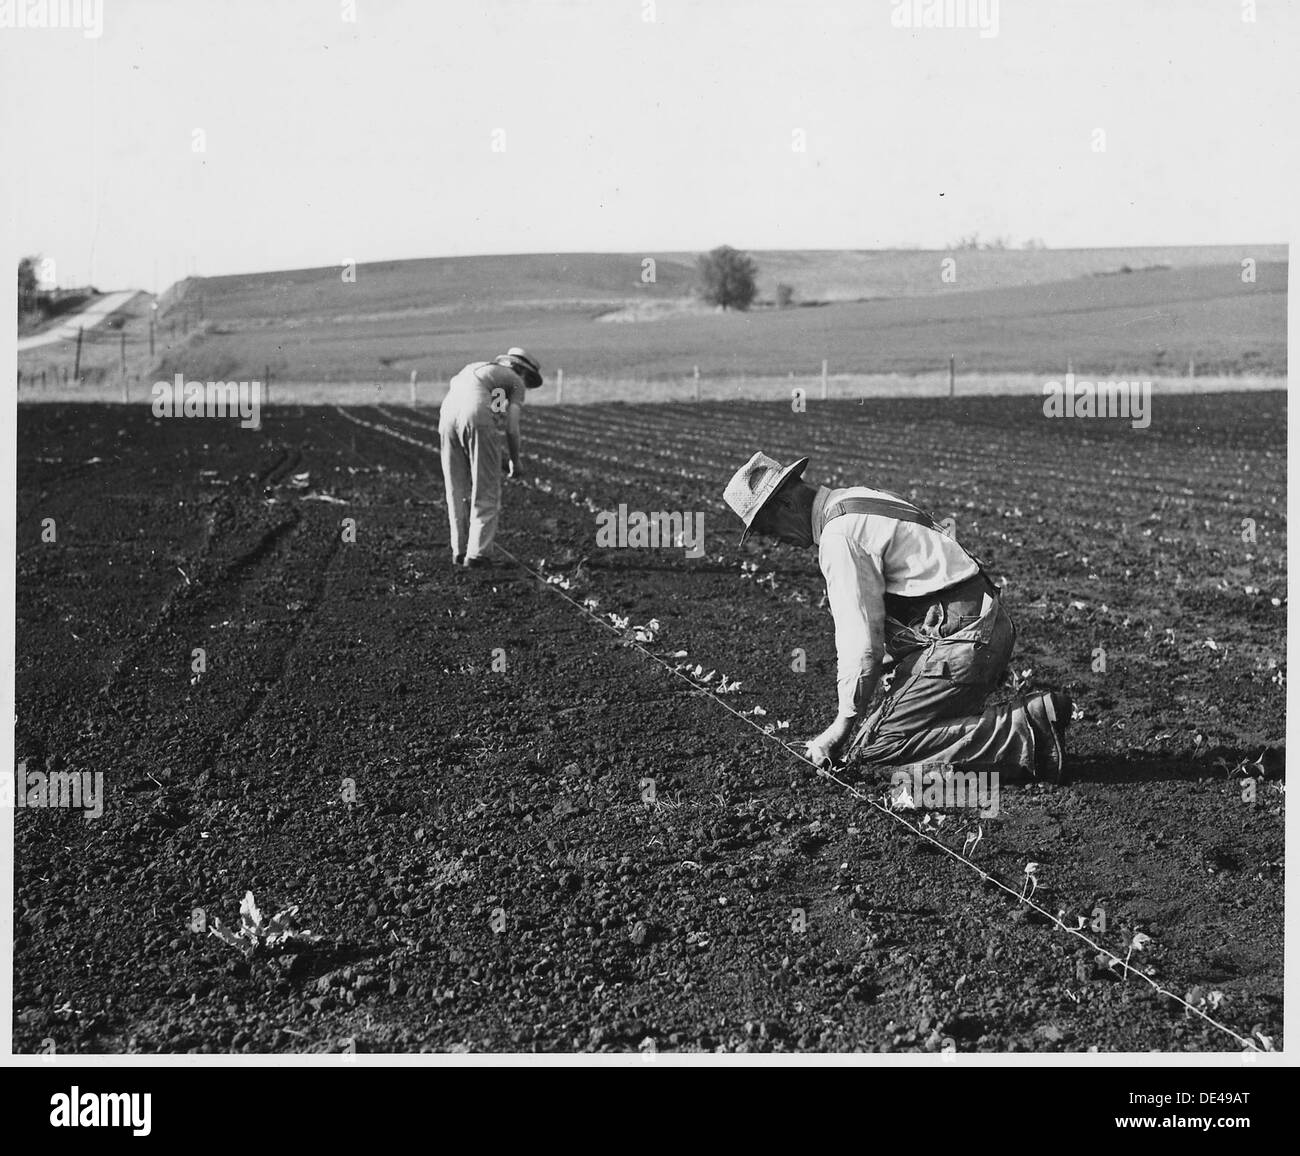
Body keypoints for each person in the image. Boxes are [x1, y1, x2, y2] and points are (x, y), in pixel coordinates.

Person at [722, 451, 1073, 781]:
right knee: (885, 732)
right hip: (984, 625)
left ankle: (1027, 727)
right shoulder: (855, 498)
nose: (776, 542)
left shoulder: (839, 537)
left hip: (962, 643)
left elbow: (862, 646)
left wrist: (839, 727)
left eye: (768, 529)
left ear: (784, 503)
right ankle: (982, 721)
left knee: (876, 748)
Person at [437, 347, 543, 568]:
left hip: (446, 416)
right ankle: (478, 554)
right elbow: (511, 428)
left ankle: (459, 549)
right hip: (475, 414)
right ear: (521, 370)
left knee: (456, 487)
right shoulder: (515, 380)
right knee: (486, 487)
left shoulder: (478, 369)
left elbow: (492, 418)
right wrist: (515, 460)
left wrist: (497, 455)